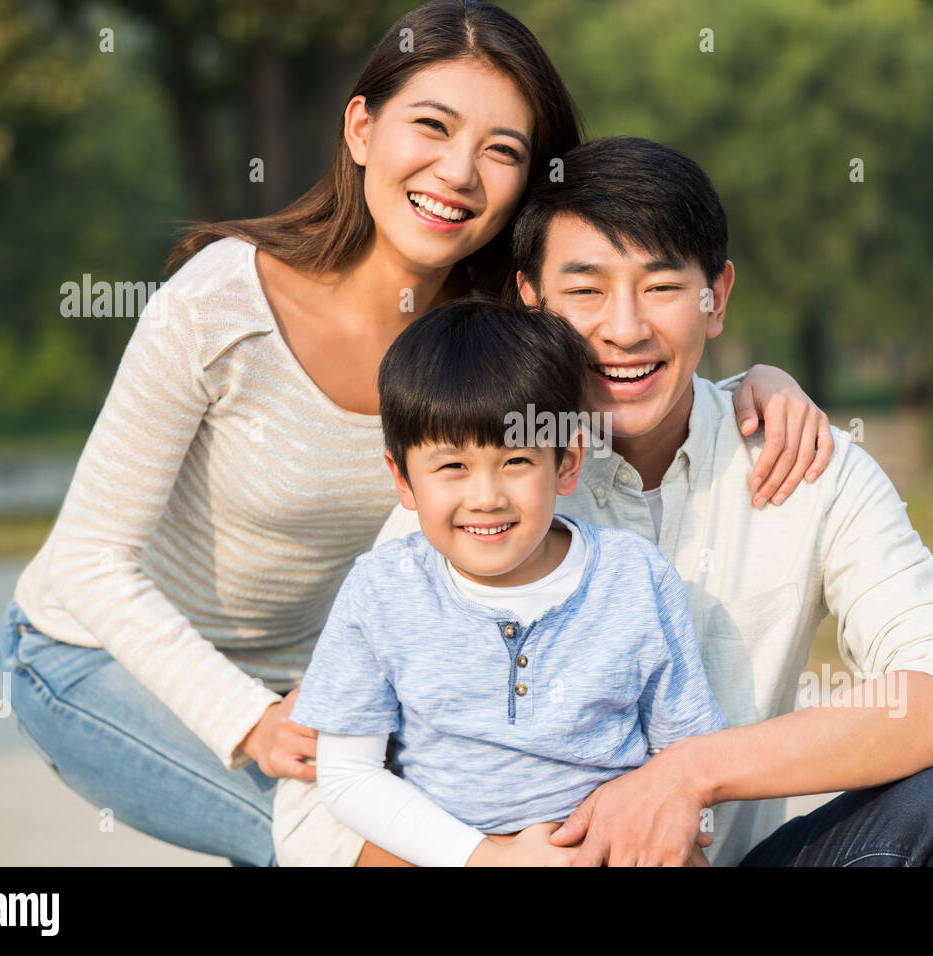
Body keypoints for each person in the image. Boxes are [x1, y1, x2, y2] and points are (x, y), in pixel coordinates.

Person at [0, 1, 827, 867]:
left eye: (502, 151)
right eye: (431, 125)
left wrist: (759, 388)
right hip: (94, 658)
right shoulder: (219, 307)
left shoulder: (497, 329)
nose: (459, 172)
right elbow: (90, 560)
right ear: (361, 127)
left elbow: (633, 358)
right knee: (351, 842)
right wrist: (243, 718)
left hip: (332, 677)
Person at [365, 136, 933, 866]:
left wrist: (689, 773)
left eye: (662, 286)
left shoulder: (804, 463)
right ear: (531, 303)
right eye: (585, 291)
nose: (624, 328)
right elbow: (355, 791)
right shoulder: (475, 496)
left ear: (716, 300)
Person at [280, 296, 726, 867]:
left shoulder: (634, 578)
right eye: (452, 467)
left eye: (515, 461)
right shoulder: (383, 590)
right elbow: (346, 775)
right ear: (404, 479)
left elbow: (688, 753)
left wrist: (678, 829)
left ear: (565, 463)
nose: (486, 497)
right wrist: (484, 858)